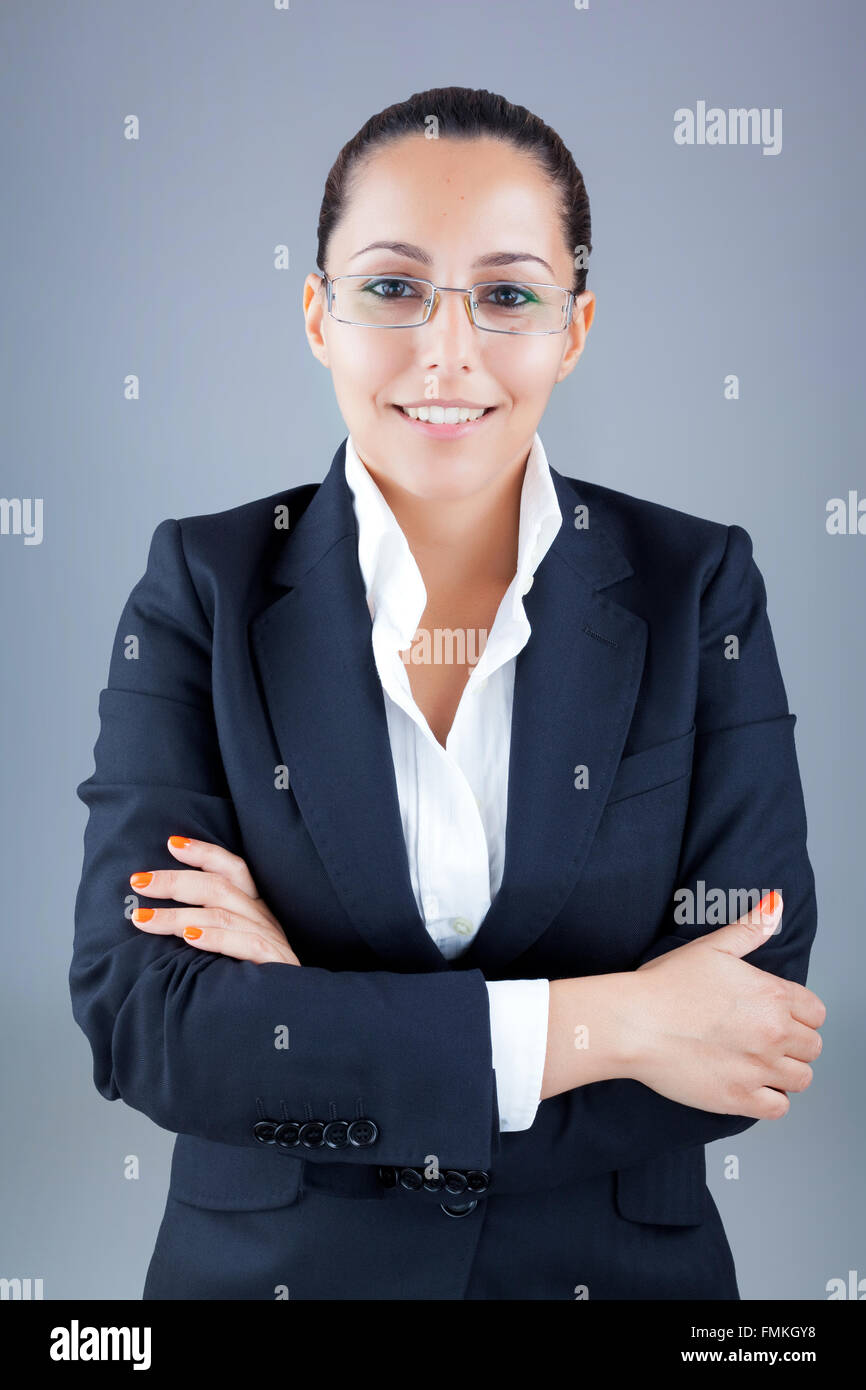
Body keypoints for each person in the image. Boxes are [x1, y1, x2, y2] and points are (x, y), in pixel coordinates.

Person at [70, 86, 825, 1301]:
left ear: (574, 329)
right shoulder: (199, 588)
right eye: (392, 287)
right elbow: (147, 1022)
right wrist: (621, 1022)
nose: (448, 350)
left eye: (509, 294)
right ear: (317, 315)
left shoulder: (699, 588)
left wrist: (310, 1018)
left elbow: (748, 1029)